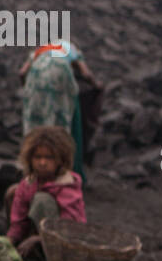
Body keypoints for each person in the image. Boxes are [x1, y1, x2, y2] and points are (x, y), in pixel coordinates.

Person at [17, 39, 102, 181]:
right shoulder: (70, 48)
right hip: (60, 75)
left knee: (35, 124)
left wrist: (28, 90)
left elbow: (21, 73)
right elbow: (86, 74)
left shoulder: (41, 50)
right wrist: (97, 85)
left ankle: (30, 168)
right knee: (62, 122)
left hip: (36, 77)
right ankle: (63, 170)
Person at [5, 125, 86, 258]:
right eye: (38, 157)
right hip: (36, 230)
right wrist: (9, 240)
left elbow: (72, 228)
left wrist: (38, 239)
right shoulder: (30, 182)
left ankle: (44, 251)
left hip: (61, 239)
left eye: (49, 158)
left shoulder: (66, 185)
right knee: (13, 192)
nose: (42, 163)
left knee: (42, 199)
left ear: (61, 159)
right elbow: (19, 220)